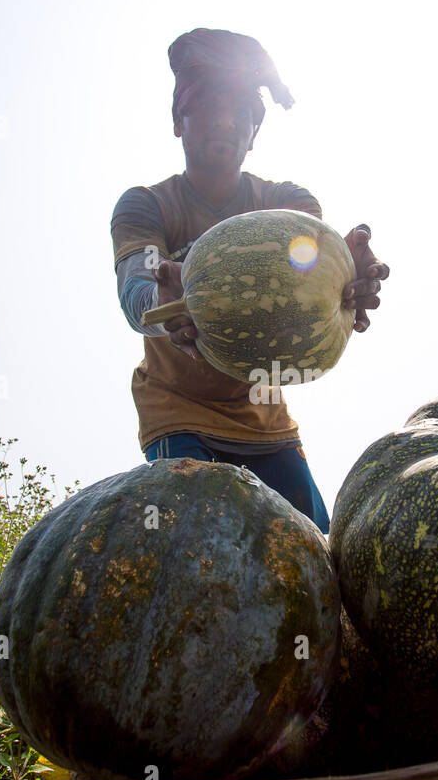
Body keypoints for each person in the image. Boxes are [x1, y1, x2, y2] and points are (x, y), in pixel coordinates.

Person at [112, 28, 388, 533]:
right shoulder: (146, 206)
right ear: (179, 120)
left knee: (315, 554)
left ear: (255, 131)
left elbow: (311, 265)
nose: (225, 121)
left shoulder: (288, 202)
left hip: (266, 418)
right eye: (209, 106)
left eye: (241, 111)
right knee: (201, 550)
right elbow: (135, 296)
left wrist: (346, 275)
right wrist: (162, 302)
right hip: (178, 412)